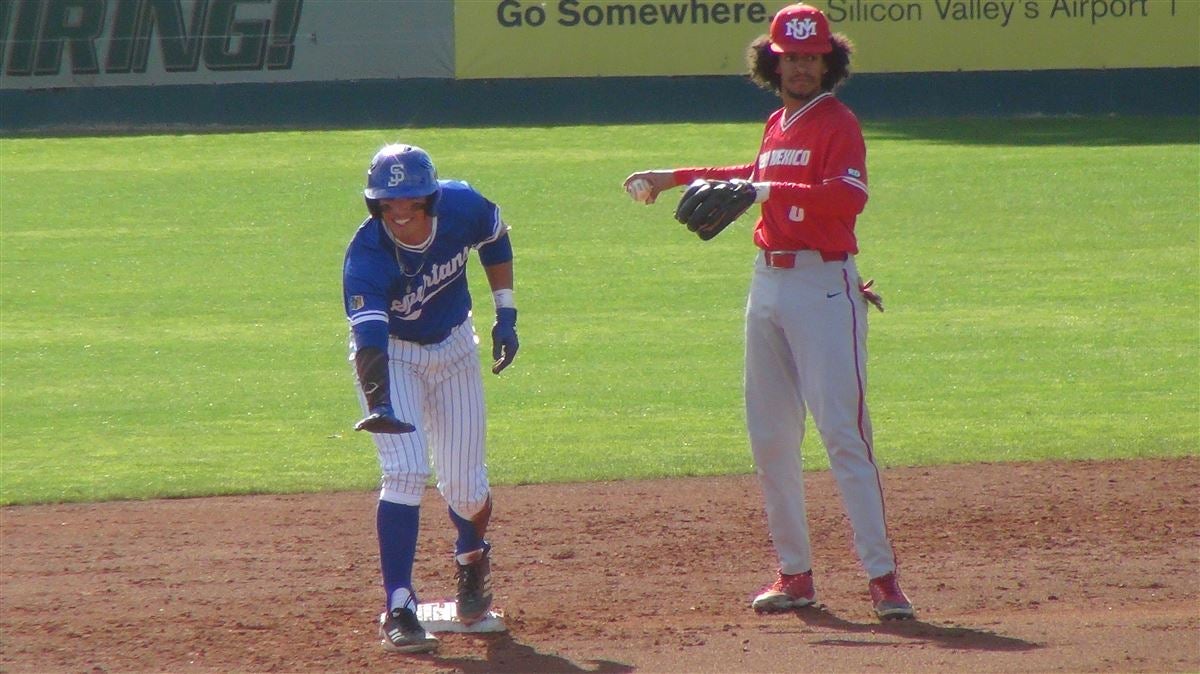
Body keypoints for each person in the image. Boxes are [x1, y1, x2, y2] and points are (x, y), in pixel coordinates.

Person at [623, 3, 914, 621]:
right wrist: (672, 176)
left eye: (811, 57)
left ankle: (883, 579)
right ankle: (795, 574)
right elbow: (749, 174)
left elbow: (848, 199)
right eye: (791, 57)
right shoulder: (780, 120)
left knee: (843, 434)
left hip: (823, 285)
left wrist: (766, 191)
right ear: (772, 61)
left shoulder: (838, 122)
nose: (801, 67)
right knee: (771, 437)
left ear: (828, 61)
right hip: (769, 285)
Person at [342, 143, 519, 653]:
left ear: (431, 199)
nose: (399, 212)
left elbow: (495, 236)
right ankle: (400, 607)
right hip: (392, 358)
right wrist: (378, 401)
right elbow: (371, 336)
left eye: (411, 202)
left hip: (456, 348)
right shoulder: (367, 256)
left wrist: (505, 312)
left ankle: (472, 556)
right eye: (388, 202)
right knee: (405, 470)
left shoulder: (464, 206)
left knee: (465, 488)